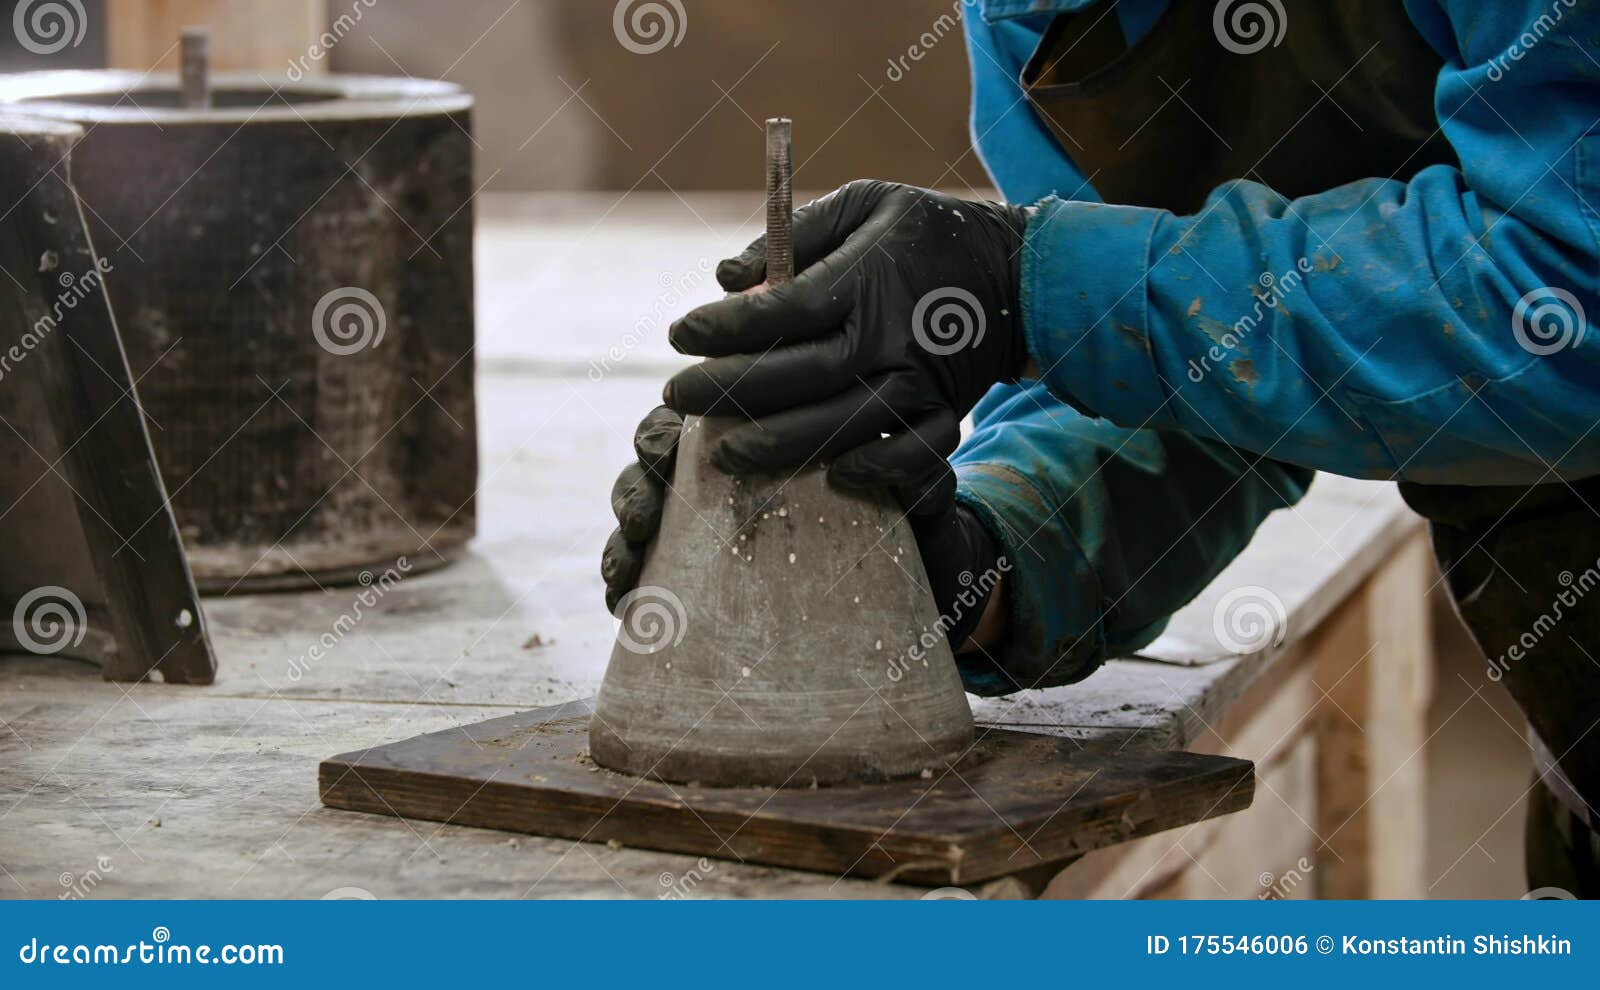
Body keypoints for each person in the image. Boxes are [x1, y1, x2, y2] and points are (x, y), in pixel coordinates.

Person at [602, 0, 1600, 896]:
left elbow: (1565, 300)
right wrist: (978, 560)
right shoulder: (1040, 23)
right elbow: (1204, 362)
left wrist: (1035, 287)